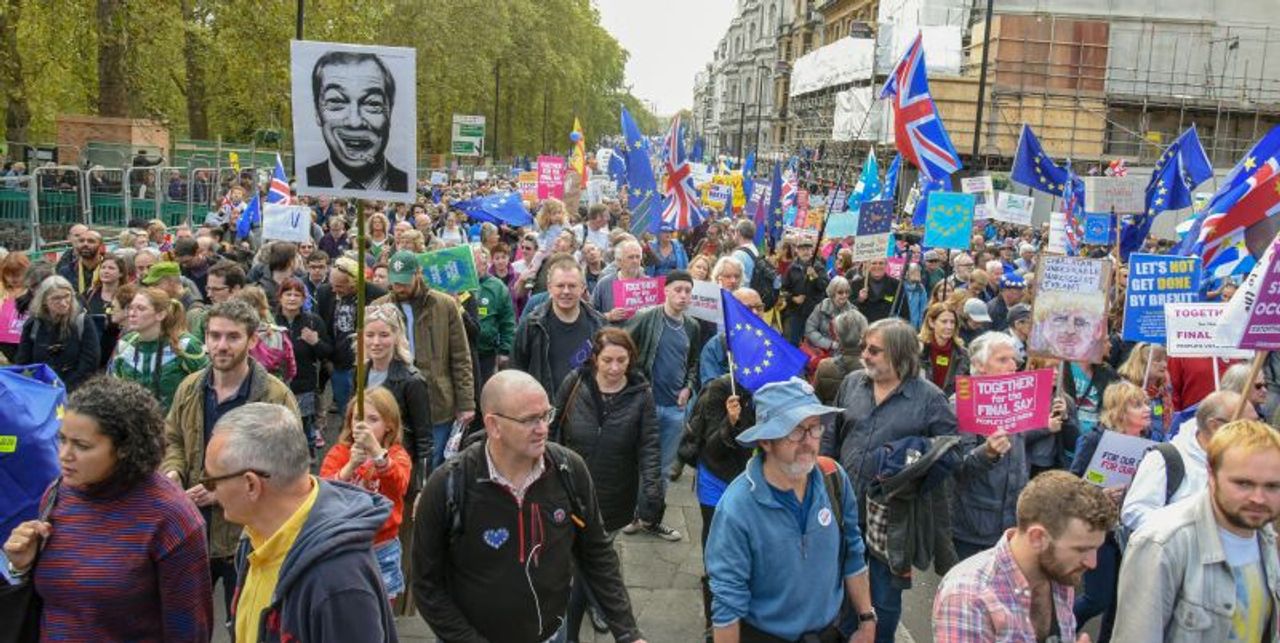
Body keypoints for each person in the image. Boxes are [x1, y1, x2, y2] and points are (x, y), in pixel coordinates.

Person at [412, 370, 646, 643]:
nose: (543, 428)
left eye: (546, 414)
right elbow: (426, 585)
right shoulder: (448, 485)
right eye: (529, 420)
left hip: (552, 634)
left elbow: (597, 554)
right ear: (493, 425)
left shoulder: (569, 471)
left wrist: (628, 632)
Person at [2, 376, 213, 641]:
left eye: (82, 445)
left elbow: (189, 631)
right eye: (62, 439)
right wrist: (21, 567)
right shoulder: (58, 493)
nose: (64, 454)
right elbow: (55, 596)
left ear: (125, 448)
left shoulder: (173, 519)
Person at [206, 403, 396, 641]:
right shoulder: (256, 537)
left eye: (212, 480)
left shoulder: (338, 584)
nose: (211, 492)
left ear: (251, 485)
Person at [706, 377, 877, 643]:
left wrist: (867, 620)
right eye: (795, 431)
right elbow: (727, 603)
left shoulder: (834, 478)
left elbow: (853, 553)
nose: (809, 441)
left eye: (815, 429)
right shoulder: (736, 508)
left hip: (828, 635)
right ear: (765, 441)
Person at [162, 299, 300, 625]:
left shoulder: (274, 397)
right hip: (193, 530)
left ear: (252, 340)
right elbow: (174, 439)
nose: (221, 346)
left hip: (249, 536)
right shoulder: (190, 388)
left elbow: (289, 468)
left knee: (246, 623)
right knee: (186, 623)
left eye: (232, 337)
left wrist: (225, 490)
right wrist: (173, 472)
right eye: (214, 336)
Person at [826, 317, 961, 643]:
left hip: (893, 516)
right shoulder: (853, 382)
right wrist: (824, 476)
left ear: (900, 356)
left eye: (874, 350)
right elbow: (831, 432)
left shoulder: (929, 398)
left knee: (885, 597)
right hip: (844, 505)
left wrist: (911, 481)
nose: (865, 355)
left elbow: (950, 452)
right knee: (839, 582)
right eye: (864, 347)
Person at [1113, 419, 1280, 642]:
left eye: (1272, 486)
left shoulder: (1265, 535)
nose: (1258, 498)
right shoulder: (1162, 543)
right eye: (1243, 483)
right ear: (1211, 474)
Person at [553, 328, 663, 641]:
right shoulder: (574, 382)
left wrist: (652, 494)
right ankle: (582, 621)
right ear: (594, 358)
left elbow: (650, 445)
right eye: (607, 360)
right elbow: (552, 428)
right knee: (580, 563)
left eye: (622, 360)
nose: (615, 368)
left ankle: (579, 622)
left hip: (614, 495)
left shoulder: (641, 394)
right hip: (570, 490)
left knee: (591, 559)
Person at [933, 471, 1118, 642]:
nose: (1092, 563)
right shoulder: (969, 595)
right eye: (1080, 549)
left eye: (1096, 549)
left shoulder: (1059, 574)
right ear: (1037, 538)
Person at [1067, 379, 1150, 641]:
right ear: (1119, 411)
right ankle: (1057, 630)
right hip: (1100, 530)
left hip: (1130, 532)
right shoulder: (1095, 439)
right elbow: (1073, 484)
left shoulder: (1151, 442)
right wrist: (1099, 494)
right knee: (1097, 598)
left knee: (1120, 601)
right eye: (1138, 405)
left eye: (1146, 403)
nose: (1147, 409)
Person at [376, 250, 474, 467]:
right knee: (396, 461)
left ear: (418, 274)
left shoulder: (445, 305)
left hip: (437, 399)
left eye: (404, 282)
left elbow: (460, 356)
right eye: (394, 282)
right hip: (394, 399)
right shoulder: (378, 307)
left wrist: (466, 402)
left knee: (434, 461)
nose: (398, 288)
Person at [622, 269, 699, 541]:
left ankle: (652, 519)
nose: (683, 295)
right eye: (678, 289)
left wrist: (689, 387)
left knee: (663, 469)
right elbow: (624, 349)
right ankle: (631, 515)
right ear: (665, 290)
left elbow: (693, 363)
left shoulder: (692, 326)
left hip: (675, 409)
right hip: (646, 405)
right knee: (637, 462)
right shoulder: (647, 317)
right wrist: (639, 388)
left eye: (688, 291)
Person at [319, 387, 412, 601]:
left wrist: (378, 455)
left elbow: (400, 484)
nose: (364, 426)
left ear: (389, 425)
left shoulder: (397, 455)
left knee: (381, 607)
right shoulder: (339, 453)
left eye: (373, 419)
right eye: (357, 419)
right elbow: (323, 492)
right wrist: (351, 466)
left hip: (382, 546)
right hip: (345, 545)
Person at [1120, 390, 1254, 535]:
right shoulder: (1166, 458)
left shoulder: (1251, 463)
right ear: (1214, 426)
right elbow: (1133, 513)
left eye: (1259, 423)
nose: (1256, 433)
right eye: (1246, 427)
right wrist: (1188, 529)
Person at [949, 332, 1028, 561]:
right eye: (1002, 360)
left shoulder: (1018, 397)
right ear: (978, 365)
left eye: (1014, 359)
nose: (1013, 366)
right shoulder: (961, 404)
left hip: (1011, 525)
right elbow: (957, 468)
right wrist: (988, 452)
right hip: (974, 528)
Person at [305, 51, 408, 193]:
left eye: (372, 103)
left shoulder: (406, 186)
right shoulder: (303, 182)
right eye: (336, 101)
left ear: (390, 111)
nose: (355, 122)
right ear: (317, 111)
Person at [512, 254, 606, 399]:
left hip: (588, 412)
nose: (566, 291)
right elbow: (516, 371)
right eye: (560, 285)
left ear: (582, 288)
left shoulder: (599, 324)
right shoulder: (532, 325)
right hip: (544, 410)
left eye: (572, 286)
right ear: (549, 288)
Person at [362, 302, 434, 490]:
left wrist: (422, 488)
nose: (376, 342)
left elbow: (424, 439)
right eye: (370, 335)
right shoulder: (361, 372)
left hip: (398, 467)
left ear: (396, 336)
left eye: (384, 335)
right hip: (365, 465)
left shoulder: (412, 381)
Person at [108, 286, 209, 410]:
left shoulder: (185, 345)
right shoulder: (125, 344)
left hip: (175, 425)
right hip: (134, 425)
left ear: (160, 315)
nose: (132, 313)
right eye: (130, 308)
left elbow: (207, 387)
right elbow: (114, 390)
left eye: (141, 309)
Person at [315, 256, 387, 425]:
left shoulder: (376, 295)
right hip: (338, 365)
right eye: (332, 284)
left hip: (367, 365)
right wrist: (327, 361)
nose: (334, 290)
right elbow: (322, 328)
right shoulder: (324, 292)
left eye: (339, 286)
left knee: (369, 410)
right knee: (346, 412)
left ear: (354, 284)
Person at [275, 277, 332, 454]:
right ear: (280, 297)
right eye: (288, 294)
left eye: (297, 294)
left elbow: (327, 352)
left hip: (304, 385)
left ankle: (307, 459)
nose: (292, 298)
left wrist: (315, 342)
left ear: (303, 299)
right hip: (277, 385)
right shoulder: (271, 322)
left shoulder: (313, 321)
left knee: (304, 427)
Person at [16, 275, 100, 391]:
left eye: (67, 296)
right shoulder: (33, 324)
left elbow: (89, 363)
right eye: (56, 298)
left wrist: (64, 388)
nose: (64, 303)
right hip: (42, 390)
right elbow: (23, 362)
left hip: (76, 392)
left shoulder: (83, 322)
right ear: (44, 300)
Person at [473, 244, 515, 385]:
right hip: (462, 352)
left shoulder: (497, 287)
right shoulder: (459, 285)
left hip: (487, 352)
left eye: (484, 262)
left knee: (485, 390)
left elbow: (508, 321)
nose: (480, 266)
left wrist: (505, 350)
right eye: (476, 262)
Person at [813, 308, 868, 405]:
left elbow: (816, 402)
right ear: (864, 335)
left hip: (832, 418)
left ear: (837, 336)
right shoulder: (873, 369)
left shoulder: (824, 366)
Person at [918, 302, 969, 397]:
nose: (949, 327)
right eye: (944, 321)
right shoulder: (917, 349)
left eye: (952, 322)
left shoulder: (963, 354)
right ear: (931, 322)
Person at [591, 238, 646, 323]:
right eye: (630, 257)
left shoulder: (648, 284)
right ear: (619, 262)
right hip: (613, 333)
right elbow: (590, 313)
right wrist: (608, 316)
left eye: (637, 257)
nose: (635, 261)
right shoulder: (604, 284)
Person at [851, 257, 909, 325]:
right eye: (874, 263)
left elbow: (904, 312)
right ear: (868, 265)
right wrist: (859, 300)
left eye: (881, 263)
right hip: (864, 329)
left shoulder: (896, 285)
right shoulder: (856, 284)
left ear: (886, 265)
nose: (877, 266)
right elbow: (850, 310)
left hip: (887, 330)